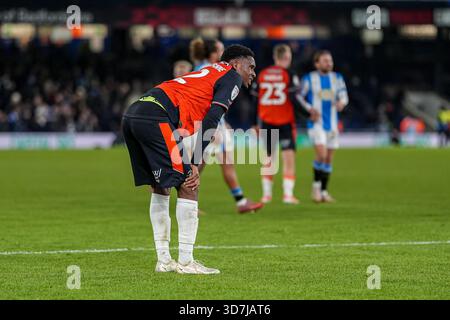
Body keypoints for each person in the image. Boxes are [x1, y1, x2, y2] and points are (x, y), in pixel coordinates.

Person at [122, 44, 256, 274]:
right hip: (156, 118)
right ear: (235, 64)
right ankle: (186, 262)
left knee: (160, 187)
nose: (253, 73)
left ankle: (164, 261)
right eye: (251, 66)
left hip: (135, 113)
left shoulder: (209, 71)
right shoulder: (231, 76)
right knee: (189, 183)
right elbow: (213, 117)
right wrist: (194, 161)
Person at [187, 37, 263, 213]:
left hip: (216, 125)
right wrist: (209, 128)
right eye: (220, 50)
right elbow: (203, 103)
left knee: (224, 162)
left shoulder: (211, 70)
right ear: (213, 53)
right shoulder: (207, 70)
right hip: (207, 126)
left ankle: (240, 201)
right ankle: (186, 198)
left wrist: (223, 122)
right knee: (198, 164)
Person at [253, 44, 318, 204]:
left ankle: (266, 195)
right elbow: (294, 98)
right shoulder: (289, 74)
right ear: (287, 57)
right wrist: (309, 113)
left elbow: (255, 99)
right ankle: (288, 195)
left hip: (266, 120)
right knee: (288, 158)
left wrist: (254, 122)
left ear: (275, 57)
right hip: (285, 122)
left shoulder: (262, 74)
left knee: (269, 159)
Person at [299, 50, 348, 203]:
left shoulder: (337, 78)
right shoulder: (309, 78)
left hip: (332, 124)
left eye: (330, 60)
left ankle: (324, 192)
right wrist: (309, 109)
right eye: (325, 60)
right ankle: (315, 189)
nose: (329, 63)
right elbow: (299, 96)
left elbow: (344, 95)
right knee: (321, 154)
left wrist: (342, 102)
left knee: (328, 159)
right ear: (317, 63)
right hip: (316, 123)